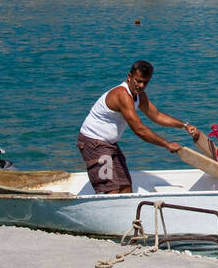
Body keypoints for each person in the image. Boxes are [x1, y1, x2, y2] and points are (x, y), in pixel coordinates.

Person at [76, 60, 200, 194]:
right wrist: (167, 144)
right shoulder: (122, 95)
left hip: (110, 144)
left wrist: (184, 125)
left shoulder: (139, 95)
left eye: (145, 82)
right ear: (129, 77)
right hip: (94, 144)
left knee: (126, 187)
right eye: (138, 81)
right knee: (109, 190)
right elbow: (139, 130)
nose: (141, 86)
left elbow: (157, 115)